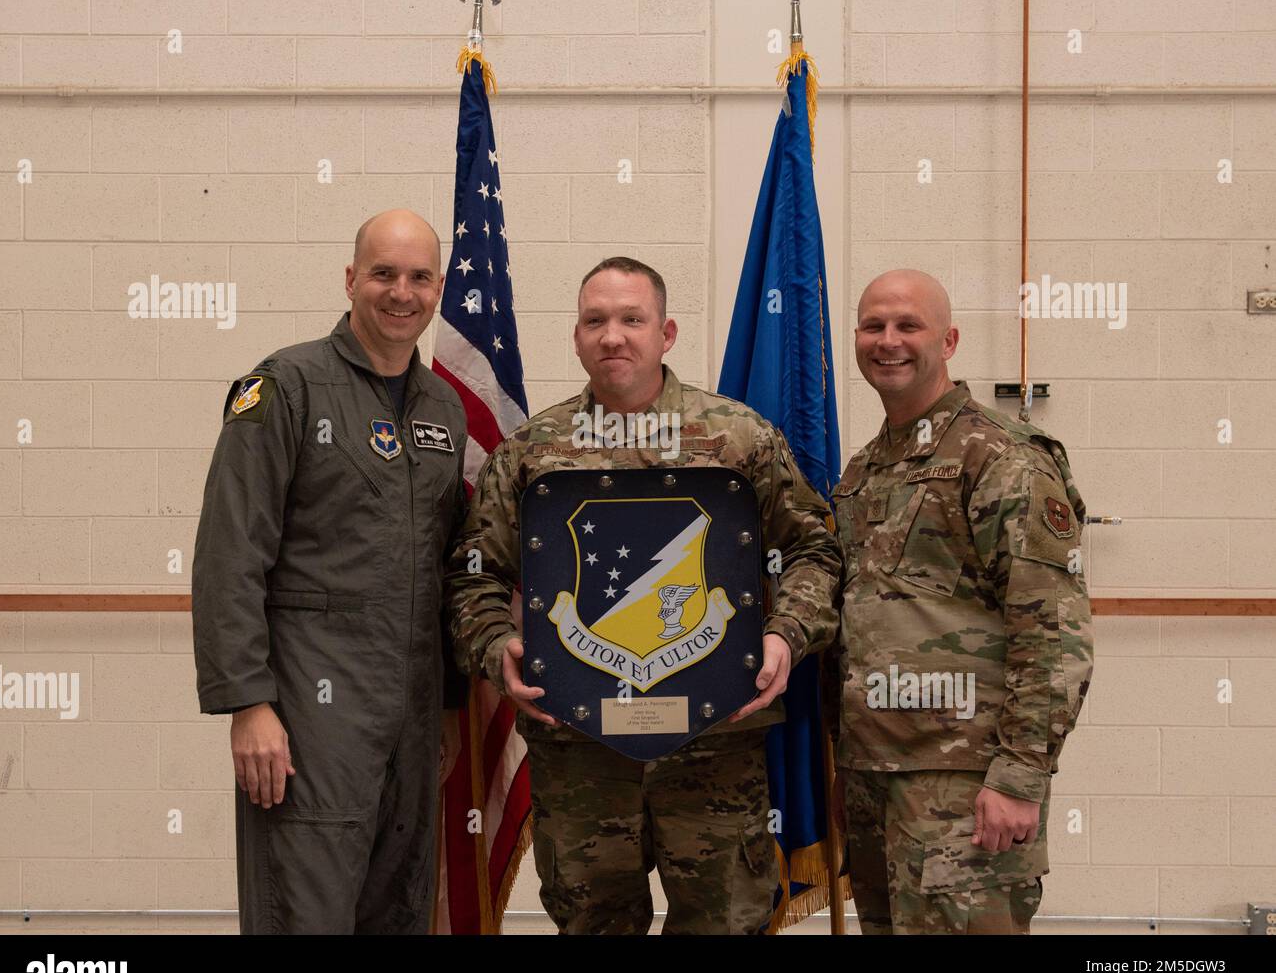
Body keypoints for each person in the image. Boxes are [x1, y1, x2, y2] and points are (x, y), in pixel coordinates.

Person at [445, 256, 840, 934]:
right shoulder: (534, 452)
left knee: (722, 927)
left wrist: (787, 633)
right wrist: (494, 646)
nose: (613, 336)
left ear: (667, 332)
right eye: (595, 320)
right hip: (581, 752)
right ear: (575, 336)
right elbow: (474, 572)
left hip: (716, 748)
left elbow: (815, 550)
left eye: (633, 319)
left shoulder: (737, 439)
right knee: (593, 925)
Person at [191, 209, 465, 934]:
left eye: (418, 277)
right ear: (351, 280)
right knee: (304, 915)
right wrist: (248, 703)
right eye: (383, 273)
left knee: (399, 911)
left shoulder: (444, 409)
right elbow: (230, 553)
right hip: (310, 720)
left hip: (410, 718)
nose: (400, 292)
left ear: (437, 288)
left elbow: (447, 569)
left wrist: (447, 705)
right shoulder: (285, 387)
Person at [830, 268, 1093, 935]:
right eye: (873, 325)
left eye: (907, 325)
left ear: (948, 340)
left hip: (964, 787)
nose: (888, 341)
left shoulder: (1001, 457)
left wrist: (1019, 775)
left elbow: (1054, 632)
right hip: (875, 779)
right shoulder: (864, 470)